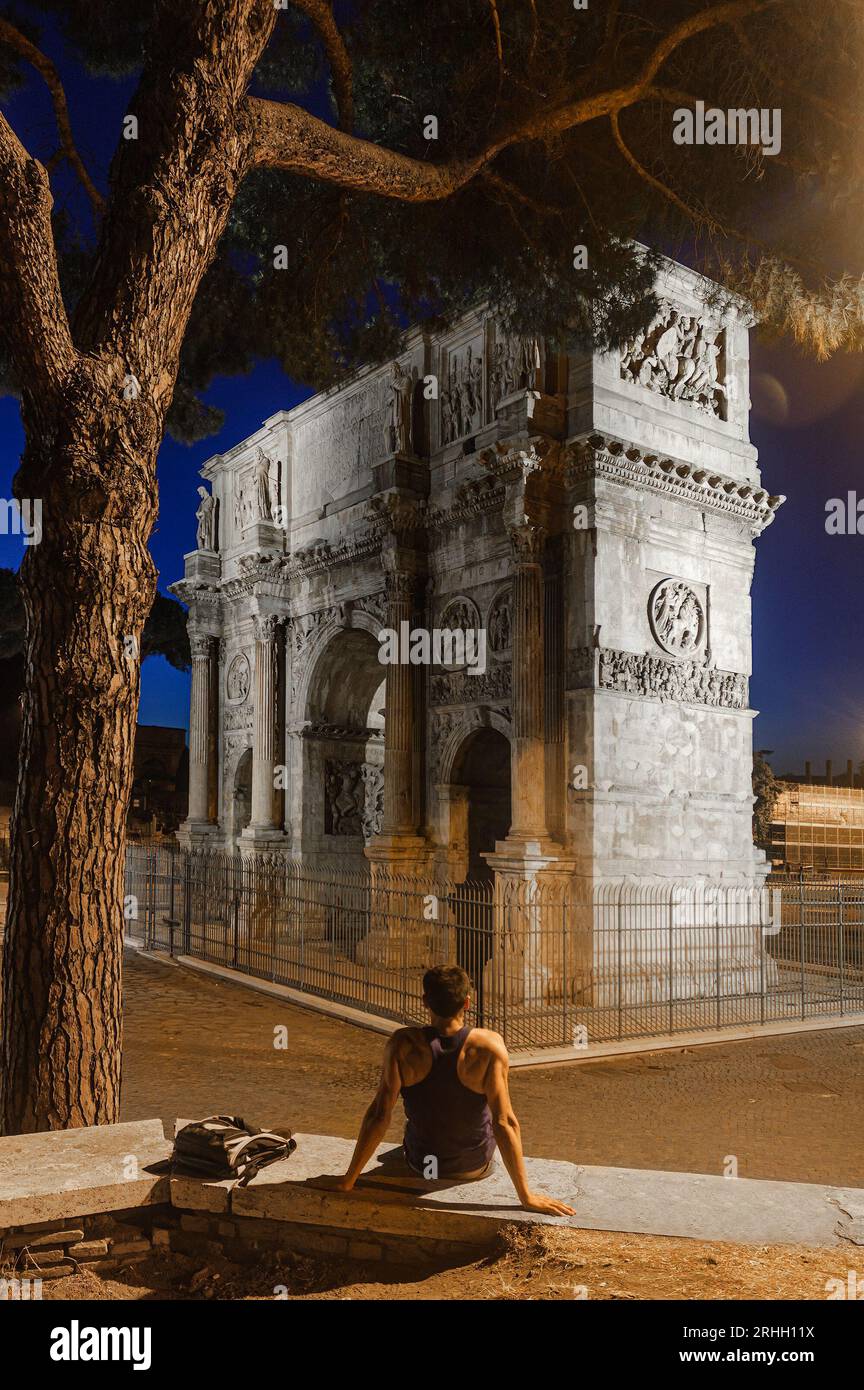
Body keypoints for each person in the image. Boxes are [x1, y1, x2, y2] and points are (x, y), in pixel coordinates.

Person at [314, 964, 575, 1216]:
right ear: (467, 1003)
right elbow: (504, 1122)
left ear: (425, 1001)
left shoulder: (402, 1044)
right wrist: (526, 1196)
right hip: (472, 1168)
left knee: (395, 1150)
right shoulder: (489, 1047)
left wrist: (348, 1181)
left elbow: (379, 1116)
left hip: (421, 1166)